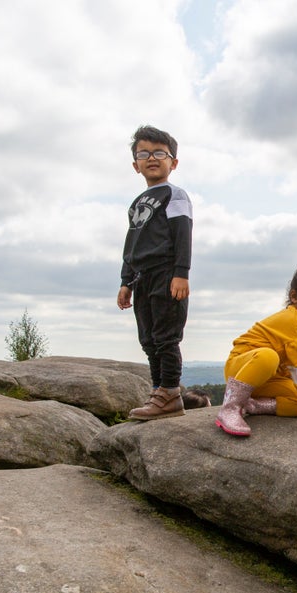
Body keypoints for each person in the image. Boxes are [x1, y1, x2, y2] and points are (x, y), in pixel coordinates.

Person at [216, 253, 297, 436]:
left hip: (267, 379)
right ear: (295, 297)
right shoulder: (293, 320)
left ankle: (251, 405)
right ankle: (230, 407)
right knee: (268, 356)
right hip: (243, 369)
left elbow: (296, 368)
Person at [118, 125, 192, 420]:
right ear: (135, 165)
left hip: (166, 273)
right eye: (144, 153)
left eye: (160, 153)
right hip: (142, 277)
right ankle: (158, 391)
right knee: (148, 339)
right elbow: (132, 242)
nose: (152, 158)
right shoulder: (137, 202)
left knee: (166, 337)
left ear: (173, 162)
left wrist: (181, 272)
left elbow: (182, 233)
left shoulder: (175, 195)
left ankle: (170, 394)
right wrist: (126, 281)